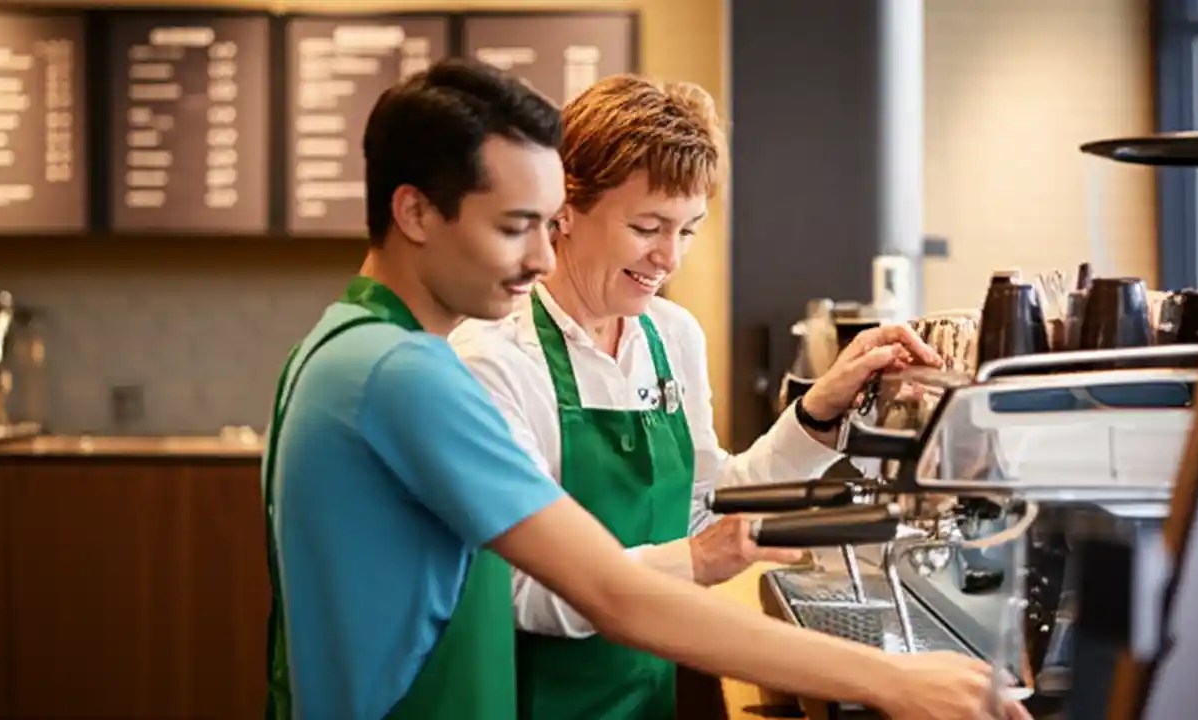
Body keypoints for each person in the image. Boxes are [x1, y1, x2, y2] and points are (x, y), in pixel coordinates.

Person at [263, 58, 1028, 720]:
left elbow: (697, 507)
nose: (538, 257)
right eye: (516, 226)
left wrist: (818, 416)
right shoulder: (414, 375)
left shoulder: (335, 349)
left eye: (544, 223)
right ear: (416, 212)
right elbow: (608, 591)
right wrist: (892, 678)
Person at [450, 75, 950, 719]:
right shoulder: (494, 359)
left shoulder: (671, 336)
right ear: (565, 208)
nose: (668, 258)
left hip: (645, 700)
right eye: (647, 226)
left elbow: (704, 509)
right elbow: (516, 593)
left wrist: (821, 414)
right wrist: (696, 560)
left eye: (688, 230)